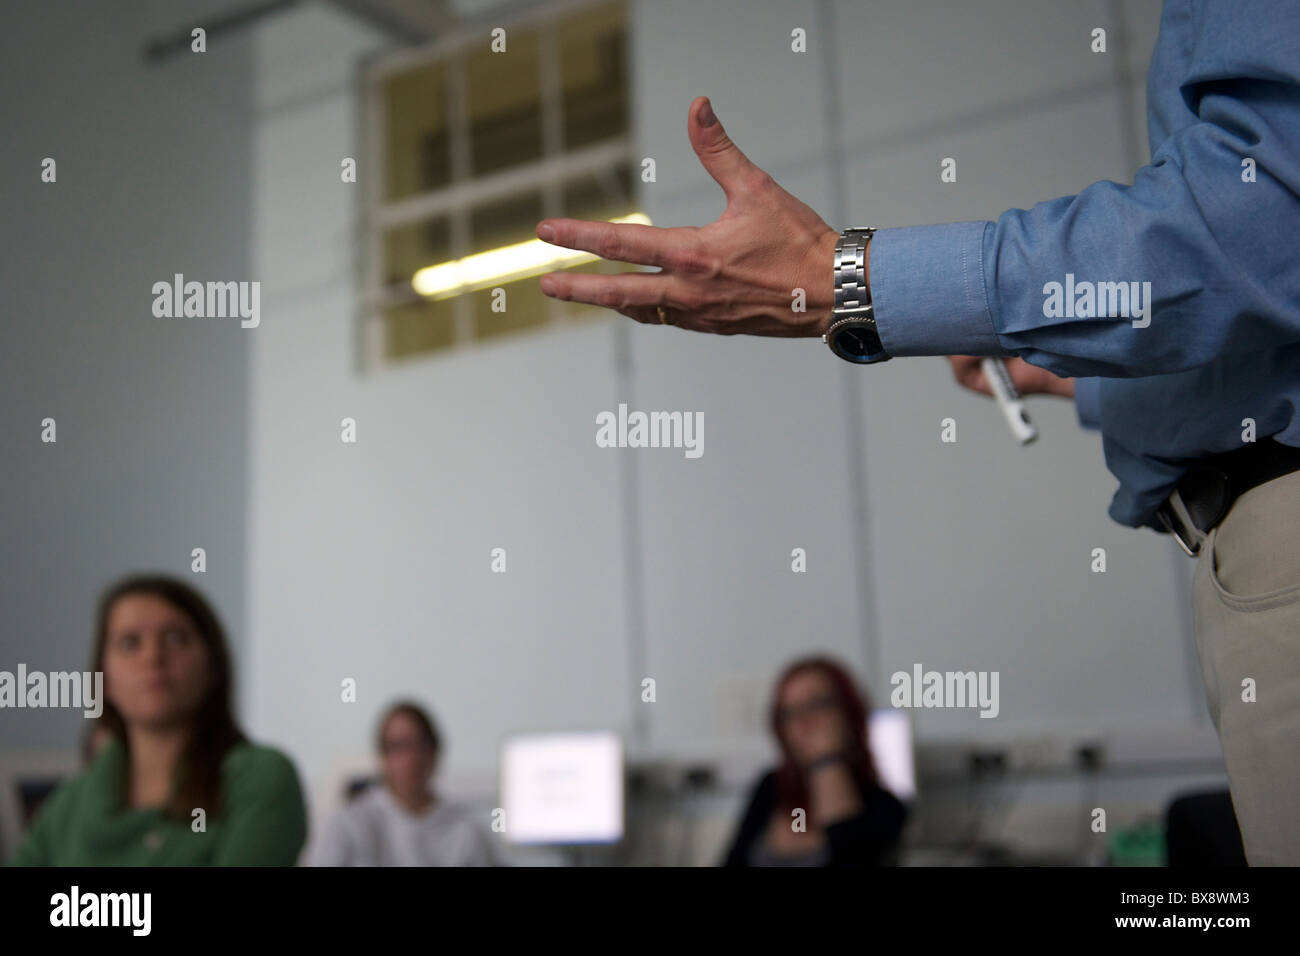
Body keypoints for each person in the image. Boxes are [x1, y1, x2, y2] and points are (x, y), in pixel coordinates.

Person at [534, 2, 1300, 865]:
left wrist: (849, 280)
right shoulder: (765, 797)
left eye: (818, 709)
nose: (806, 725)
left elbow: (1266, 222)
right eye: (795, 714)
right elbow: (1252, 318)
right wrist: (1072, 378)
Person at [10, 575, 307, 865]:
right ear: (105, 679)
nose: (153, 656)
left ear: (212, 666)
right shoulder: (72, 801)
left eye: (176, 638)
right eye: (130, 643)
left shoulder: (260, 779)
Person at [721, 657, 906, 866]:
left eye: (816, 705)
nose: (802, 722)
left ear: (848, 712)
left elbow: (852, 854)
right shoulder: (770, 788)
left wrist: (826, 761)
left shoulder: (885, 807)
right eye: (789, 712)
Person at [311, 701, 497, 866]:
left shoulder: (466, 829)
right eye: (399, 747)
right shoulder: (349, 824)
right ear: (382, 757)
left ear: (435, 752)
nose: (411, 758)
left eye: (420, 745)